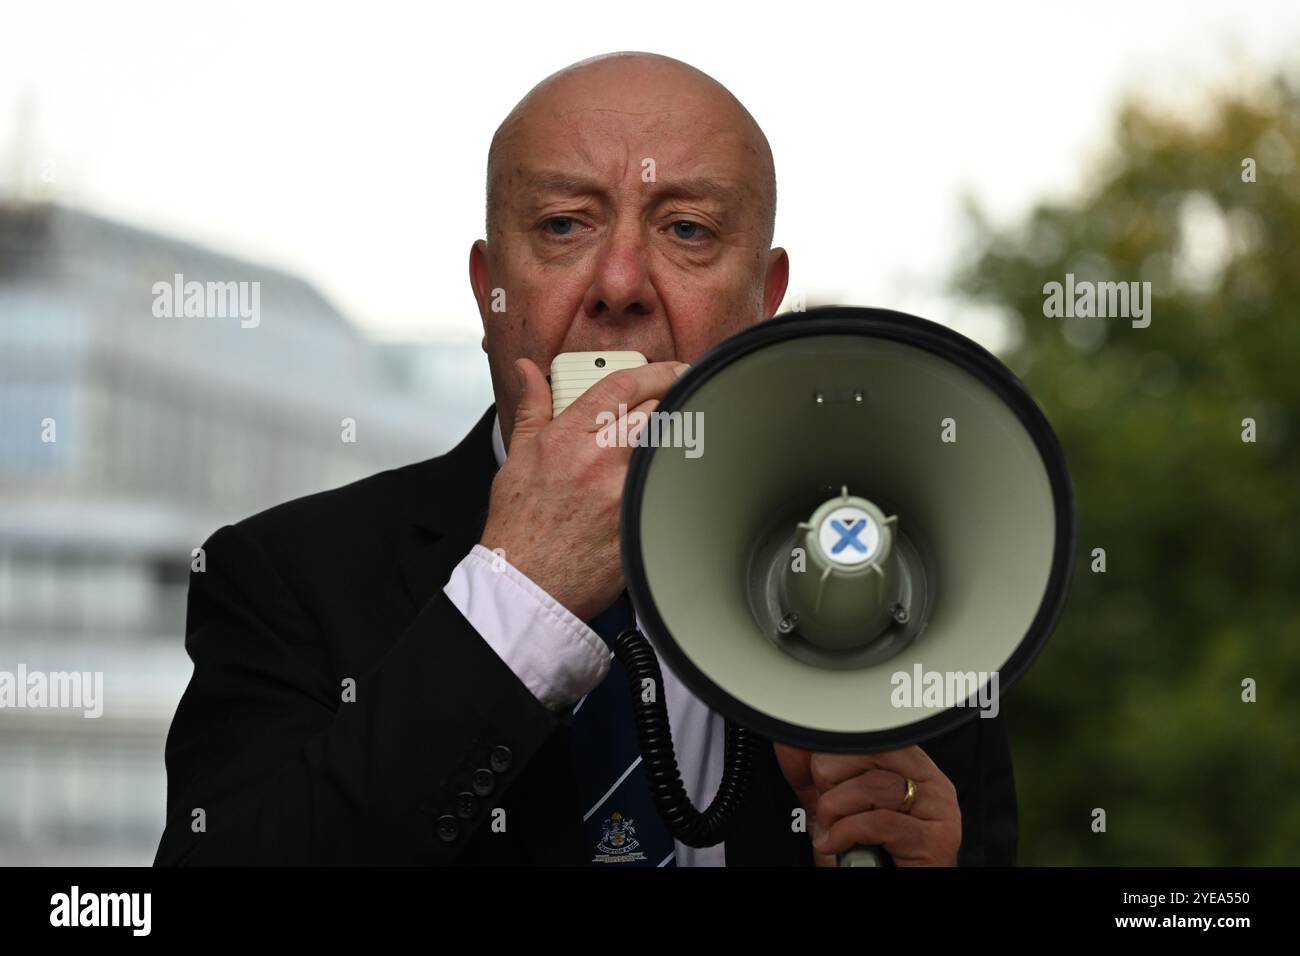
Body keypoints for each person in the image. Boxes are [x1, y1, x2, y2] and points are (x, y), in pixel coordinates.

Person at [154, 51, 1016, 867]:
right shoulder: (289, 578)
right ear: (489, 292)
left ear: (767, 300)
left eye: (688, 229)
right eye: (565, 225)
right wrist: (519, 596)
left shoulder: (887, 595)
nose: (621, 283)